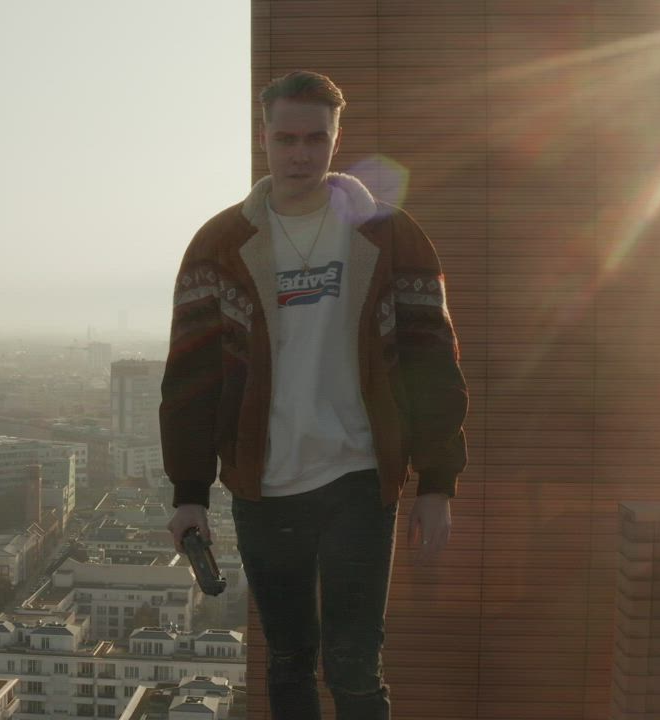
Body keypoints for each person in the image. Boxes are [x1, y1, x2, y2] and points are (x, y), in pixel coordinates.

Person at [160, 70, 468, 719]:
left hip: (359, 478)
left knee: (354, 663)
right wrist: (188, 494)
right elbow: (190, 380)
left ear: (335, 138)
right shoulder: (219, 246)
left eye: (314, 138)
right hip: (264, 488)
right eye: (285, 138)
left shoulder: (389, 234)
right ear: (263, 138)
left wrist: (437, 480)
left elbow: (432, 359)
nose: (300, 153)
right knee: (290, 663)